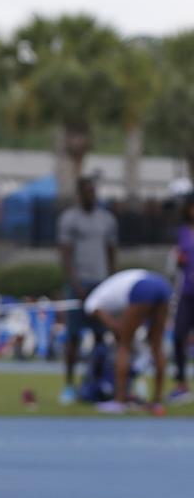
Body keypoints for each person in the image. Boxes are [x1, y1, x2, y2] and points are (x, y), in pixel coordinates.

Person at [58, 175, 118, 404]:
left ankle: (99, 382)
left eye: (94, 191)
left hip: (101, 284)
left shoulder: (107, 219)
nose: (92, 195)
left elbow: (111, 251)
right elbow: (65, 253)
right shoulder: (69, 218)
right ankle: (69, 385)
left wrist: (111, 282)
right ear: (80, 193)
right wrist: (75, 283)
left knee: (101, 336)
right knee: (73, 336)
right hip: (80, 284)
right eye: (87, 191)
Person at [83, 269, 171, 415]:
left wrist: (122, 333)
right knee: (157, 345)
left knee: (124, 345)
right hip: (162, 285)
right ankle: (157, 402)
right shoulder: (111, 289)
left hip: (143, 288)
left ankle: (119, 401)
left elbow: (115, 327)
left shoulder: (91, 304)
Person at [171, 199, 194, 404]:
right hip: (187, 292)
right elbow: (179, 261)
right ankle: (181, 384)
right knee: (179, 335)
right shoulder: (183, 232)